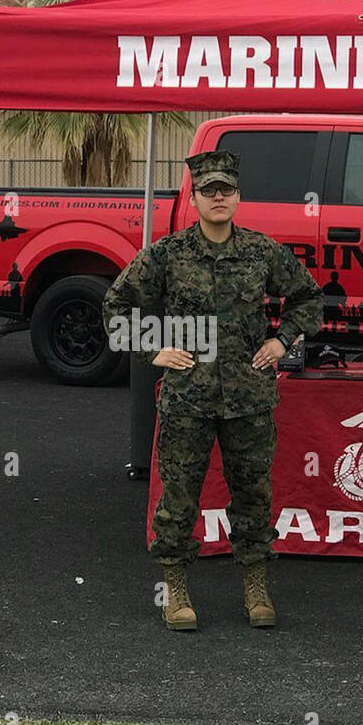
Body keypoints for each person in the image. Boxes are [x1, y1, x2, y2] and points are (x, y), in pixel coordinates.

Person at [102, 149, 324, 631]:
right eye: (209, 190)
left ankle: (255, 586)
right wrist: (152, 349)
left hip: (249, 399)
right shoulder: (169, 254)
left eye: (226, 189)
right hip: (188, 398)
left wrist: (281, 340)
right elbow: (116, 302)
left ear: (238, 196)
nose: (218, 197)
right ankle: (176, 589)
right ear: (196, 197)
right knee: (180, 497)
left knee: (252, 494)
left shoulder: (262, 252)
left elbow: (309, 297)